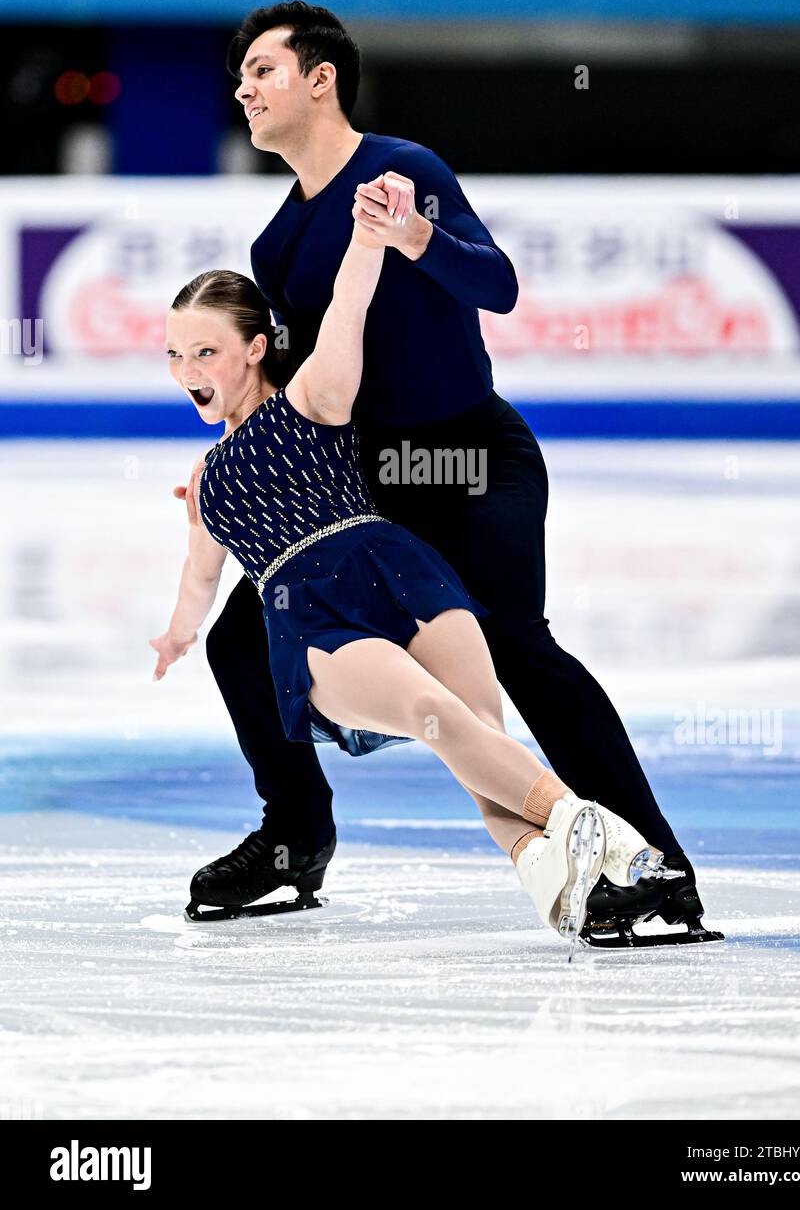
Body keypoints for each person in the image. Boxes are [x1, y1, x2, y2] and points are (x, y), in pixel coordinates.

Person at [174, 0, 711, 938]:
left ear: (319, 78)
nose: (244, 89)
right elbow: (301, 384)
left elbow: (497, 285)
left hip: (470, 458)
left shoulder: (402, 169)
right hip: (373, 485)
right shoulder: (276, 245)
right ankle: (295, 835)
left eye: (262, 70)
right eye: (241, 76)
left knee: (521, 652)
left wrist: (415, 237)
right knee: (239, 644)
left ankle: (656, 860)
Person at [150, 228, 671, 949]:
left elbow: (348, 305)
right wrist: (177, 634)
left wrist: (366, 236)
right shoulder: (206, 481)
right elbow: (198, 577)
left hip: (400, 573)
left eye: (204, 351)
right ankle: (609, 839)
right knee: (435, 712)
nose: (186, 370)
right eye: (174, 354)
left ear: (255, 348)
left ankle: (558, 885)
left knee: (483, 747)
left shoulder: (312, 400)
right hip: (312, 620)